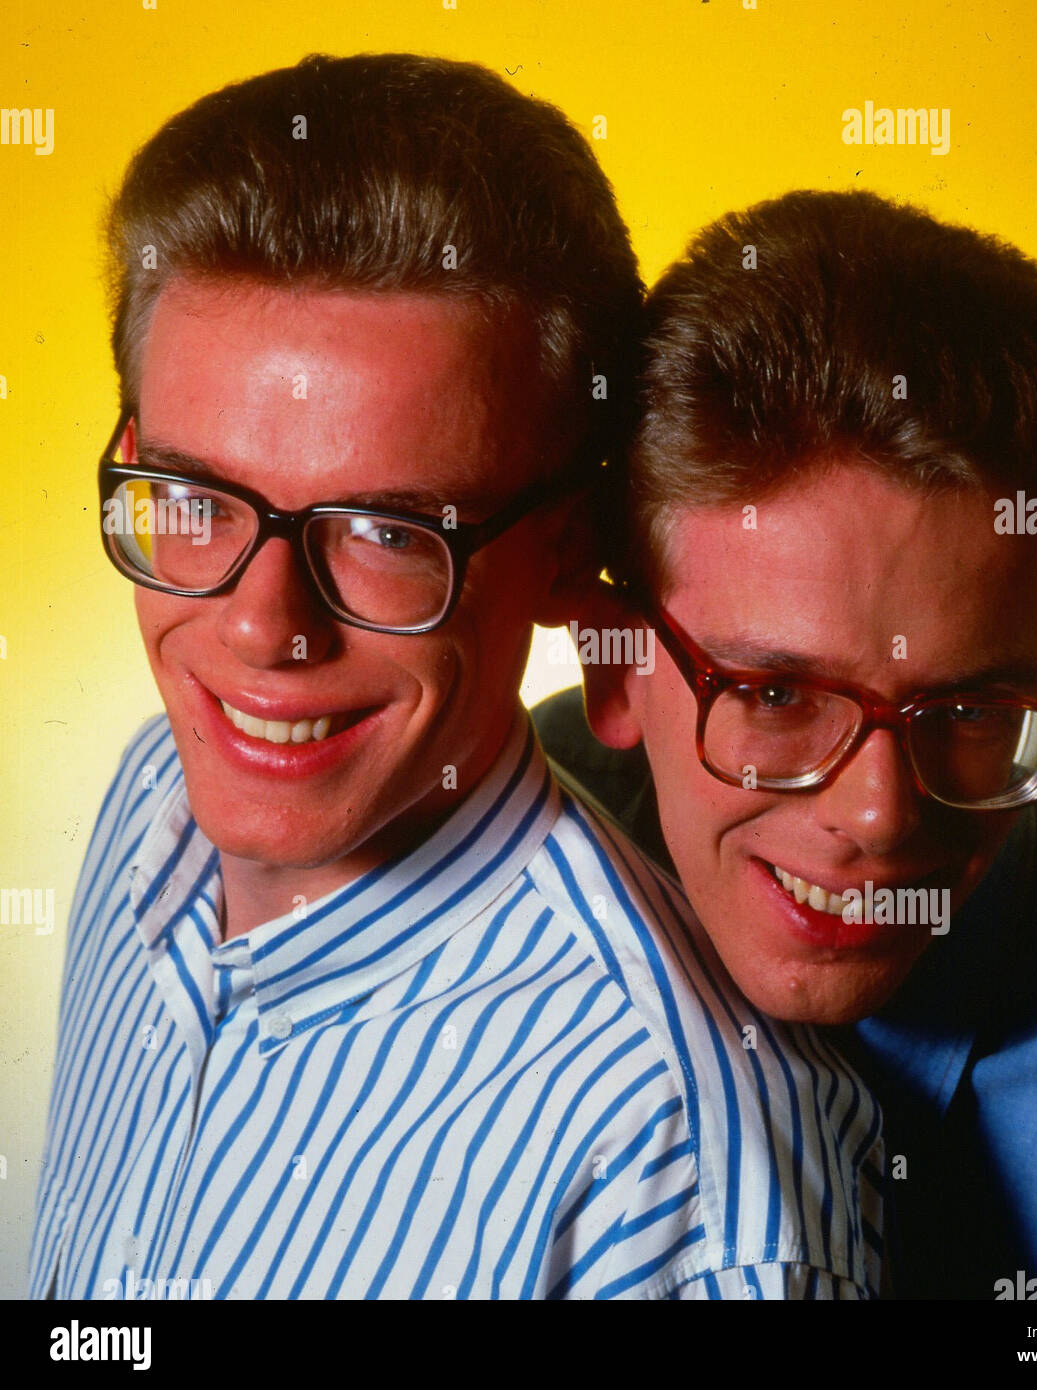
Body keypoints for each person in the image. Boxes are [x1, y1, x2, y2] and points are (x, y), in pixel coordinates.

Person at [29, 60, 884, 1302]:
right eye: (196, 497)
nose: (261, 629)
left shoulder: (681, 1171)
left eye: (385, 534)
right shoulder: (150, 793)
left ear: (566, 549)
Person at [535, 190, 1037, 1300]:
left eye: (971, 712)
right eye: (777, 692)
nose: (879, 815)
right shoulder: (494, 848)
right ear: (612, 664)